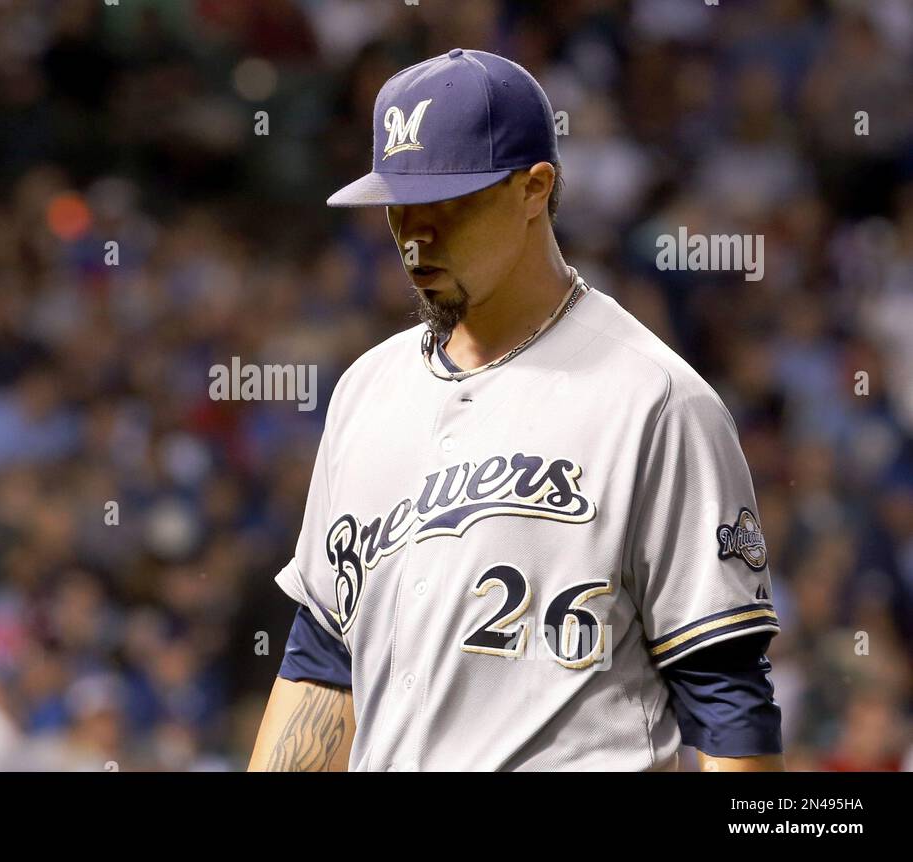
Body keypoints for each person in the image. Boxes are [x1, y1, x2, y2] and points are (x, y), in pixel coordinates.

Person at [248, 49, 784, 772]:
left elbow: (725, 695)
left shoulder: (654, 399)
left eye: (446, 202)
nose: (414, 232)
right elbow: (322, 657)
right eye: (398, 202)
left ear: (534, 188)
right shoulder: (365, 390)